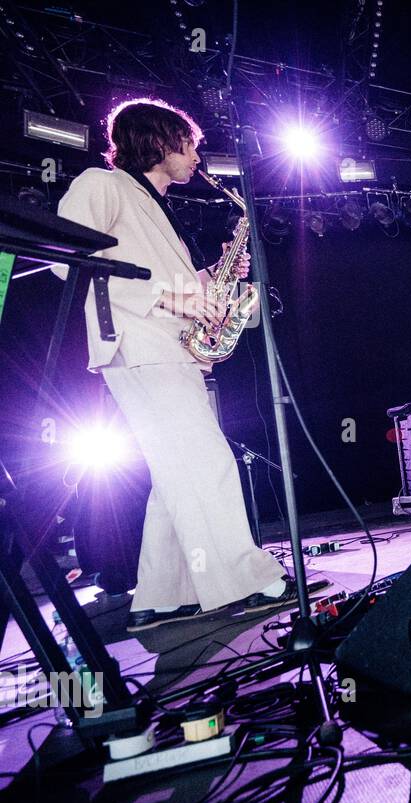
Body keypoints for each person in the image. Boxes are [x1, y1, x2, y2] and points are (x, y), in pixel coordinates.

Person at [55, 98, 316, 631]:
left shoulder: (155, 208)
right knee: (207, 462)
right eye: (189, 142)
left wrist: (213, 276)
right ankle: (246, 579)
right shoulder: (100, 185)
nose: (197, 154)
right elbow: (69, 263)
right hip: (138, 350)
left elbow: (164, 285)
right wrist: (173, 295)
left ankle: (160, 596)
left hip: (169, 352)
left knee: (177, 472)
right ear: (158, 140)